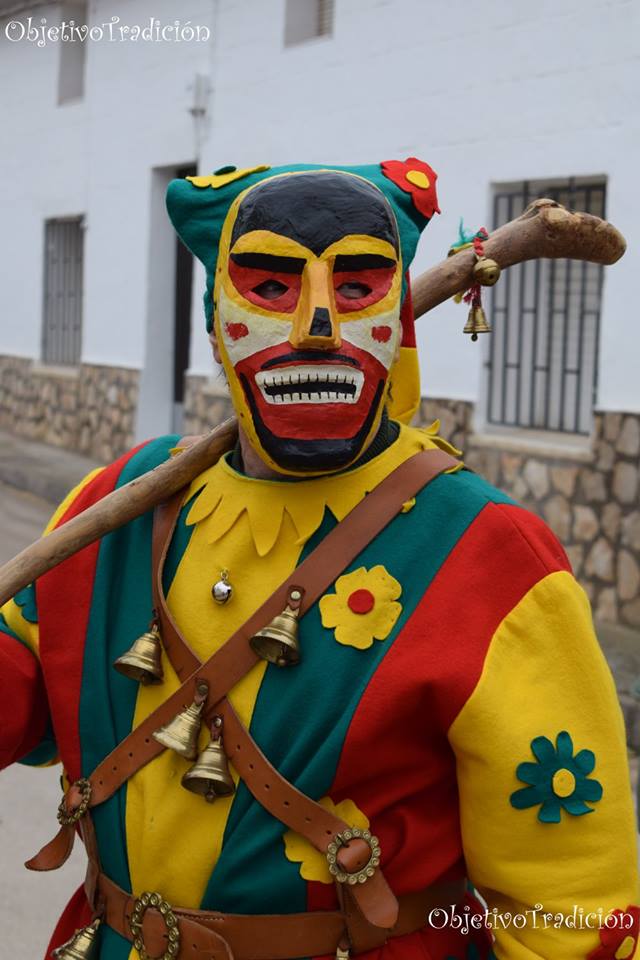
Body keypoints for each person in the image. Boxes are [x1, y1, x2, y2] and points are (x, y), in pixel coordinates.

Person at [1, 160, 638, 960]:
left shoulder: (489, 553)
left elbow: (572, 902)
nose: (314, 327)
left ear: (396, 322)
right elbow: (17, 680)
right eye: (269, 287)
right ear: (216, 325)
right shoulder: (121, 500)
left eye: (356, 287)